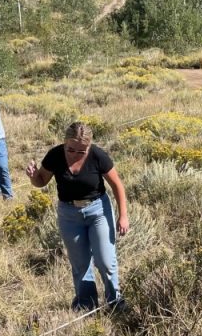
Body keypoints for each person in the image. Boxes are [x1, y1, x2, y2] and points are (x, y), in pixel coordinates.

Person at [25, 121, 130, 311]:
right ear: (65, 142)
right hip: (69, 214)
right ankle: (86, 305)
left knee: (106, 261)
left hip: (98, 210)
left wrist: (123, 216)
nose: (75, 155)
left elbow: (117, 185)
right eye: (71, 149)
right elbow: (41, 181)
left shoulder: (98, 155)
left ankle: (115, 301)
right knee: (80, 263)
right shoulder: (55, 155)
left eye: (81, 151)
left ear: (89, 147)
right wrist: (33, 177)